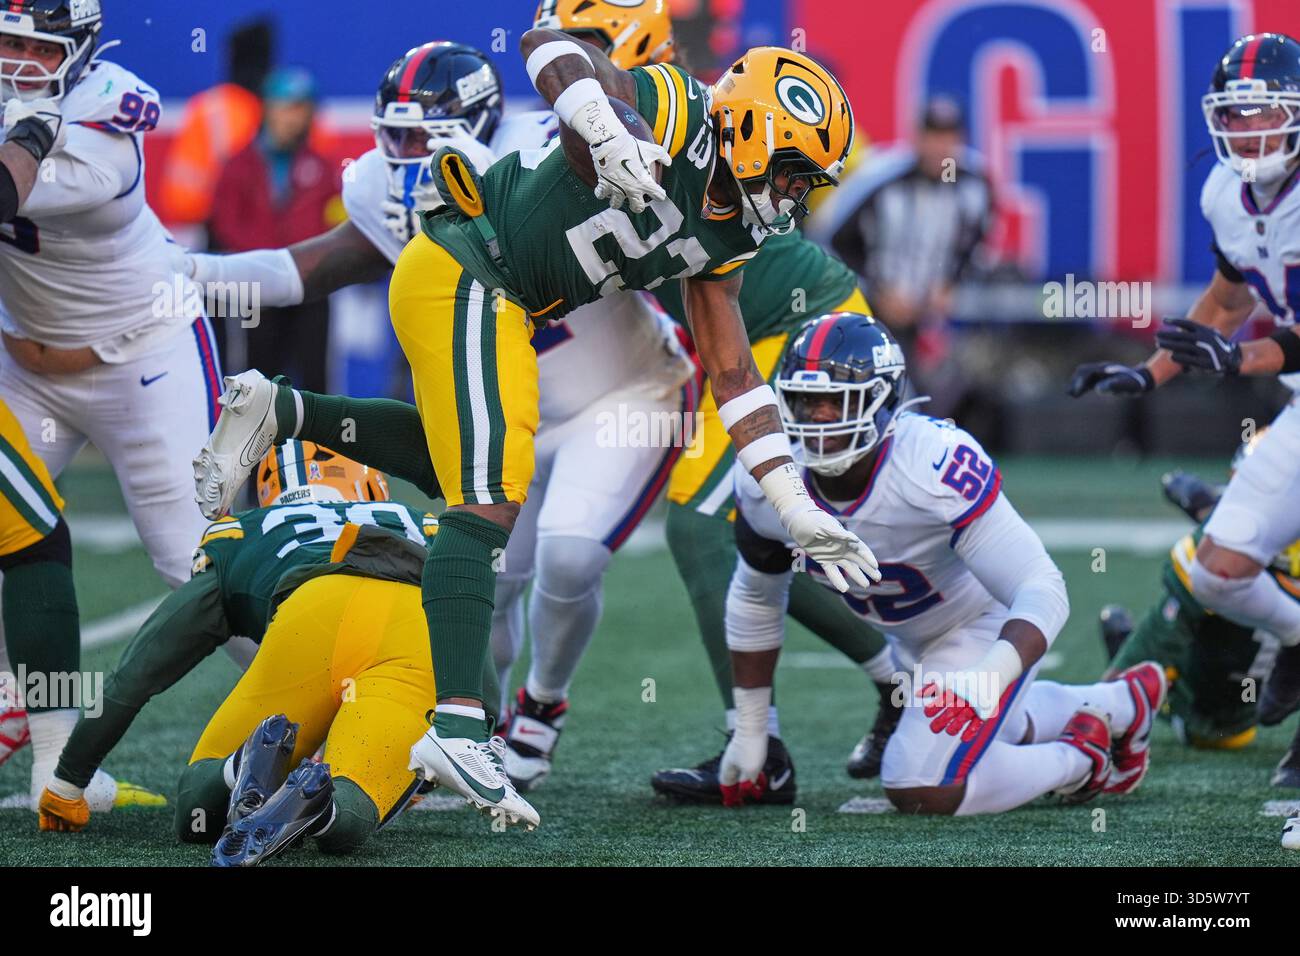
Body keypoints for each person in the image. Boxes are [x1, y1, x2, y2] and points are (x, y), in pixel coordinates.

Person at [194, 32, 878, 830]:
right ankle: (459, 727)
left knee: (462, 475)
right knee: (487, 505)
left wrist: (792, 501)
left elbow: (729, 371)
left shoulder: (735, 230)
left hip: (508, 306)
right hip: (467, 270)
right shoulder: (679, 112)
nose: (795, 198)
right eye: (794, 174)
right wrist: (603, 125)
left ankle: (284, 411)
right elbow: (552, 44)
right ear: (754, 131)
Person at [719, 311, 1167, 814]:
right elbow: (756, 594)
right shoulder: (767, 481)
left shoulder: (929, 463)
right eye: (805, 401)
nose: (820, 419)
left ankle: (1082, 762)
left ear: (884, 401)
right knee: (992, 725)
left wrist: (990, 672)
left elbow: (1042, 585)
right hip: (912, 644)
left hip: (984, 627)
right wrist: (753, 727)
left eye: (835, 401)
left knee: (919, 784)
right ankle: (1123, 703)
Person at [0, 0, 220, 810]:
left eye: (34, 46)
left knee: (195, 562)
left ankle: (331, 703)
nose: (17, 60)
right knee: (17, 533)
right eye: (5, 42)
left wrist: (25, 129)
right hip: (21, 362)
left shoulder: (100, 131)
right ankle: (55, 767)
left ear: (80, 55)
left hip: (143, 358)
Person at [37, 441, 447, 864]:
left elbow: (138, 673)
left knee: (196, 811)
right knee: (352, 812)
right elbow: (470, 638)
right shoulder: (422, 523)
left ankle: (241, 766)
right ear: (371, 482)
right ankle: (320, 807)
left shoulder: (242, 531)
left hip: (308, 613)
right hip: (410, 622)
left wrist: (67, 782)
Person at [1101, 437, 1300, 786]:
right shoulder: (1214, 560)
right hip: (1218, 710)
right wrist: (1102, 707)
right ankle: (1157, 690)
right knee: (1209, 723)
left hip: (1262, 682)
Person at [813, 97, 992, 418]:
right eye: (933, 136)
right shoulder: (881, 180)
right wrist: (877, 291)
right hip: (877, 308)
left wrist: (952, 284)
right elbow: (830, 240)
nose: (941, 146)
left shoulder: (974, 182)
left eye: (949, 136)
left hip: (933, 314)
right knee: (883, 394)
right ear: (917, 138)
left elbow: (976, 239)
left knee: (938, 392)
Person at [208, 67, 341, 392]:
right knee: (259, 378)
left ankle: (315, 444)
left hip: (310, 287)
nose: (293, 118)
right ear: (268, 109)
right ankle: (262, 443)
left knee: (314, 380)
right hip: (260, 290)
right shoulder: (239, 165)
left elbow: (328, 223)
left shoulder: (321, 167)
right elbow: (225, 224)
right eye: (286, 107)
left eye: (301, 108)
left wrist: (302, 260)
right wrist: (268, 261)